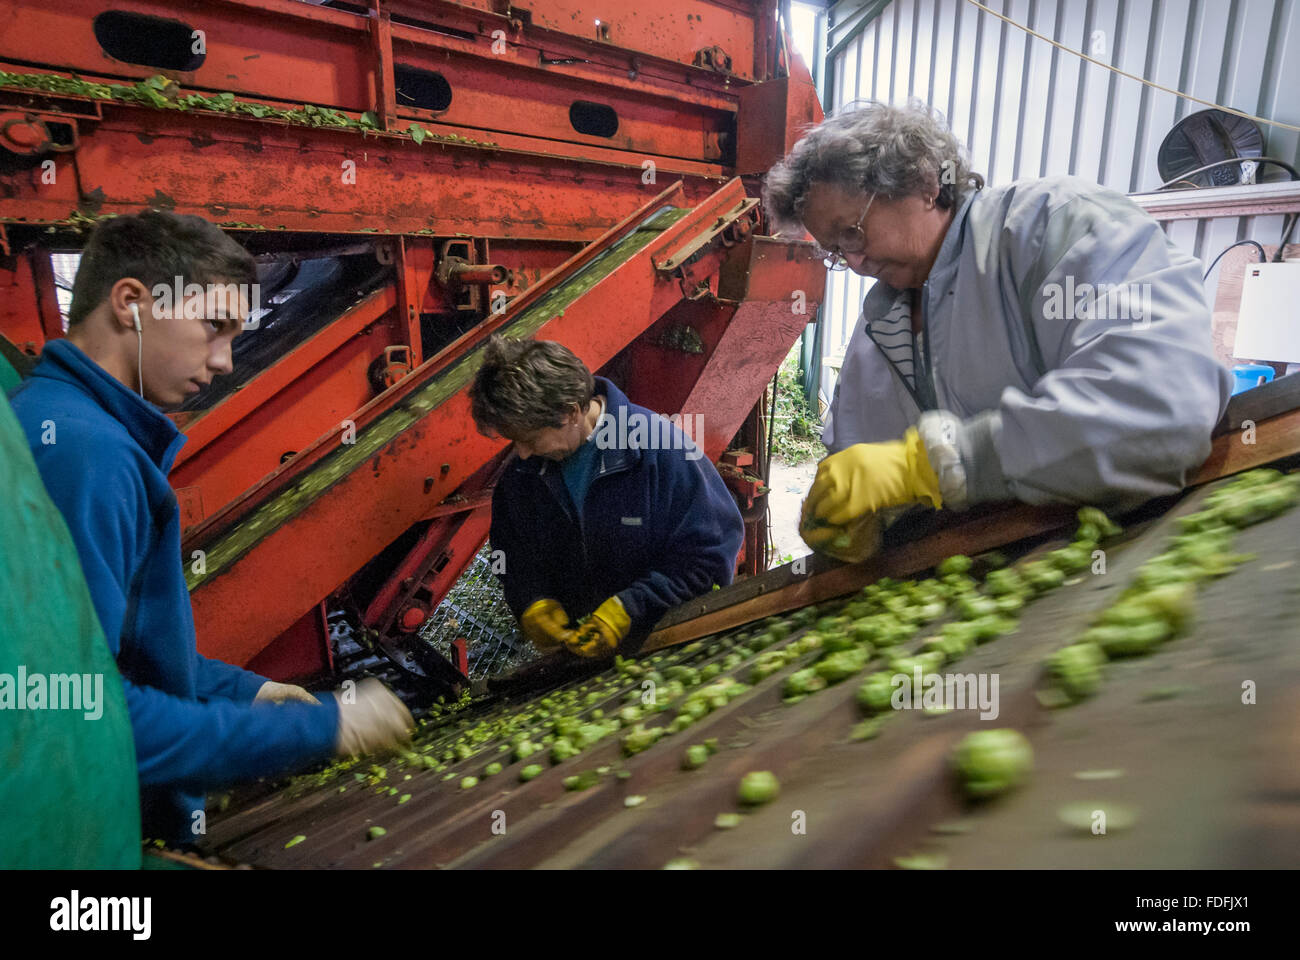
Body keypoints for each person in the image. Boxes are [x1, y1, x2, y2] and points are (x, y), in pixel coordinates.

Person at [7, 210, 413, 846]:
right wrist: (320, 730)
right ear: (132, 303)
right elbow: (76, 712)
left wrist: (244, 691)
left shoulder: (55, 421)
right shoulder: (89, 454)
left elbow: (100, 654)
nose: (225, 361)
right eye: (213, 328)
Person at [762, 99, 1233, 561]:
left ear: (926, 185)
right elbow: (858, 463)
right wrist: (852, 521)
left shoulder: (1055, 226)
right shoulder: (877, 328)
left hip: (1125, 554)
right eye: (835, 252)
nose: (856, 262)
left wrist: (938, 466)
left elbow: (1160, 408)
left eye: (853, 233)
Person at [469, 335, 744, 658]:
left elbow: (708, 557)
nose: (523, 453)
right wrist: (532, 601)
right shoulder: (521, 480)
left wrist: (630, 608)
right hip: (585, 658)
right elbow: (512, 557)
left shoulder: (657, 449)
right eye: (514, 440)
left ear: (570, 412)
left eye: (530, 438)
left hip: (669, 644)